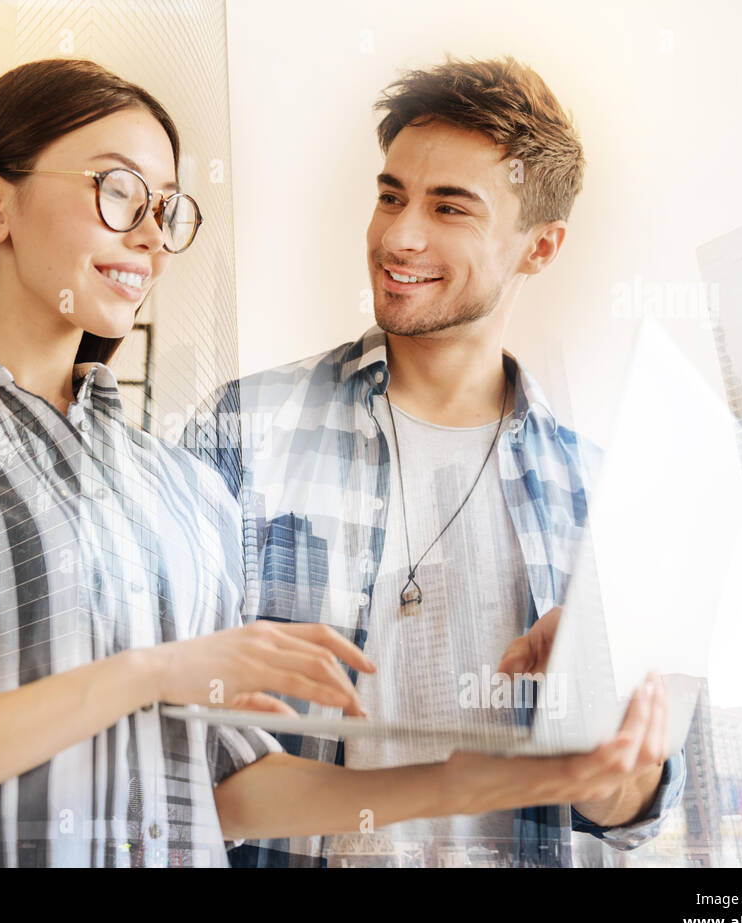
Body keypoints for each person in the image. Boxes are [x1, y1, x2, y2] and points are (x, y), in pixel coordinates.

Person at [0, 58, 671, 868]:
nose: (146, 234)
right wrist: (150, 672)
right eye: (116, 190)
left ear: (540, 248)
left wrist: (508, 775)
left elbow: (230, 789)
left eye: (164, 208)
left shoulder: (171, 488)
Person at [203, 55, 685, 868]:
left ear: (540, 247)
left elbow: (632, 813)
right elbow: (178, 756)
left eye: (448, 207)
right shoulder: (247, 427)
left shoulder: (596, 493)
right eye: (390, 194)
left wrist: (612, 777)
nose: (398, 235)